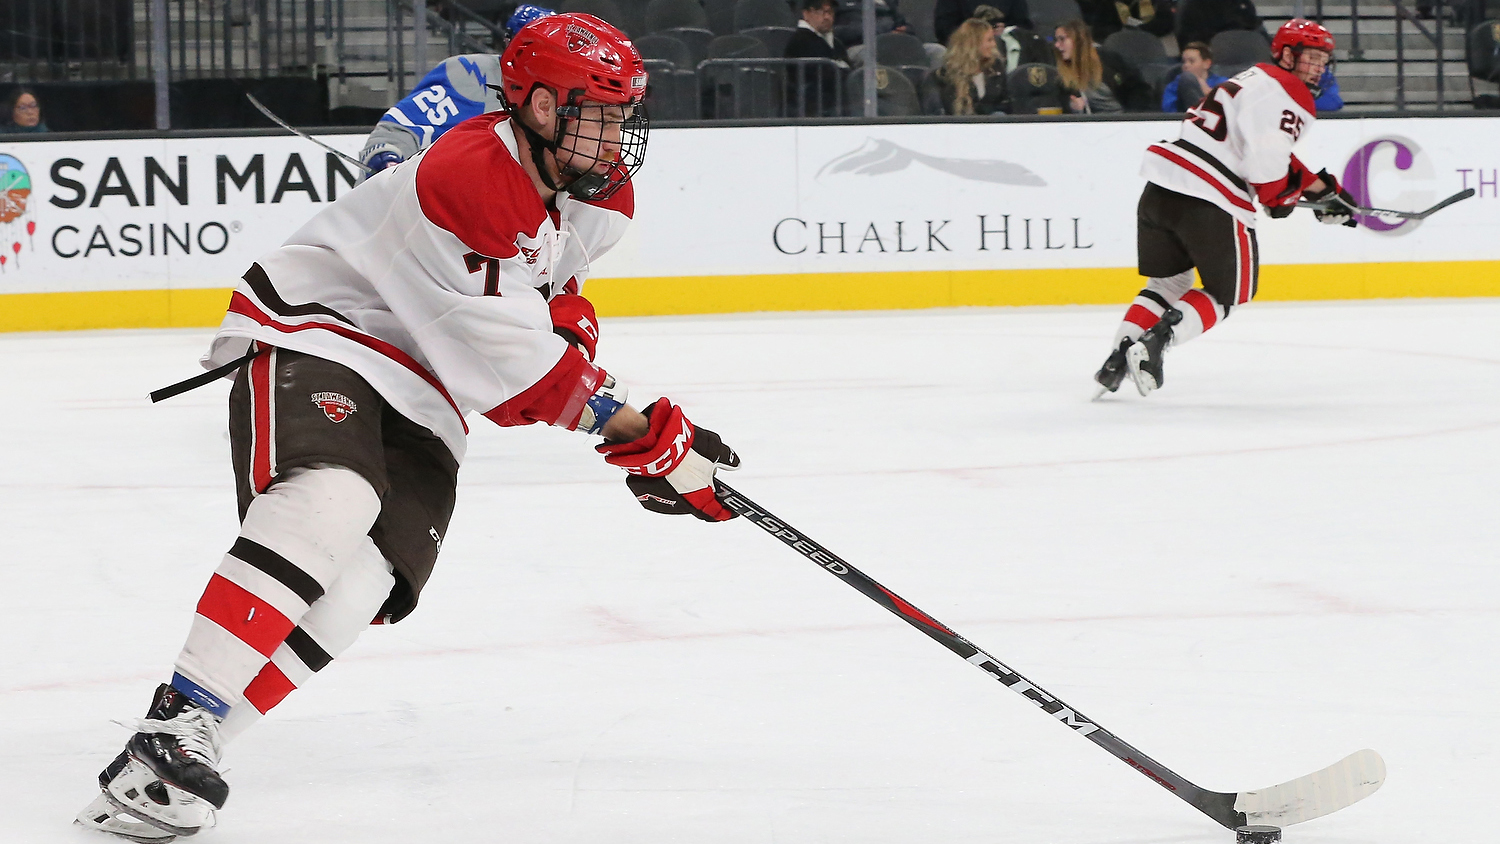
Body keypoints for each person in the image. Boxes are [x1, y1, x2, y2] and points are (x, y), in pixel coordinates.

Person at [76, 13, 742, 841]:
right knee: (336, 494)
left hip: (428, 382)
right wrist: (641, 431)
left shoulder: (604, 192)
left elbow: (554, 302)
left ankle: (178, 765)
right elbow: (519, 375)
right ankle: (169, 726)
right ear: (536, 106)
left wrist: (642, 432)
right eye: (597, 113)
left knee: (371, 577)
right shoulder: (469, 174)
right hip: (325, 327)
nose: (616, 137)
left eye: (622, 114)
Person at [1092, 19, 1359, 398]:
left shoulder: (1253, 78)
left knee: (1168, 283)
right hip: (1211, 197)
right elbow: (1267, 177)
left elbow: (1267, 151)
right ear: (1286, 55)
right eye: (1310, 57)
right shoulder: (1293, 94)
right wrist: (1285, 199)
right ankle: (1154, 345)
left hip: (1163, 185)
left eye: (1322, 60)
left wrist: (1325, 191)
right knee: (1228, 292)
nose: (1317, 67)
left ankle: (1117, 358)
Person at [358, 4, 554, 174]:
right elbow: (400, 130)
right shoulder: (470, 76)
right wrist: (387, 156)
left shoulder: (564, 95)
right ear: (509, 42)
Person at [925, 18, 1009, 114]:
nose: (994, 44)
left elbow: (1005, 105)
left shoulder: (996, 70)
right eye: (989, 40)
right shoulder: (944, 77)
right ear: (973, 43)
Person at [785, 0, 851, 117]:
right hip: (812, 110)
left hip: (835, 106)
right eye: (821, 12)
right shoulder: (800, 41)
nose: (826, 17)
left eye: (830, 12)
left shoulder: (836, 43)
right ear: (806, 14)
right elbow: (822, 75)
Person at [1054, 20, 1124, 112]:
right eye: (1056, 40)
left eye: (1062, 39)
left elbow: (1136, 91)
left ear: (1078, 40)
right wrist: (1072, 107)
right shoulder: (1062, 77)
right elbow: (1063, 103)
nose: (1057, 45)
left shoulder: (1109, 61)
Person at [1161, 40, 1227, 111]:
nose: (1186, 65)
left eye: (1191, 61)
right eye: (1184, 62)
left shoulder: (1223, 83)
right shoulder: (1173, 86)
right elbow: (1169, 111)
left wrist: (1209, 93)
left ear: (1206, 63)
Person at [1173, 0, 1262, 51]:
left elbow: (1252, 23)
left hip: (1243, 48)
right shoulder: (1194, 5)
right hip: (1209, 51)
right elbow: (1191, 36)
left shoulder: (1242, 3)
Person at [934, 0, 1032, 45]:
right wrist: (976, 33)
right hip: (964, 47)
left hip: (1004, 46)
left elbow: (1024, 26)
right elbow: (943, 29)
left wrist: (1006, 30)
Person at [833, 0, 913, 46]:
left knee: (924, 49)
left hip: (892, 43)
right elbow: (834, 31)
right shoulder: (838, 3)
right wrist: (883, 32)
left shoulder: (886, 3)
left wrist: (904, 31)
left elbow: (904, 25)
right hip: (859, 45)